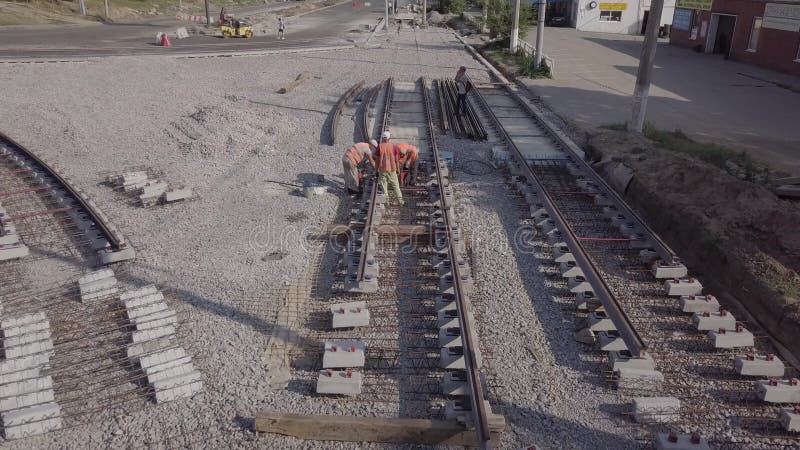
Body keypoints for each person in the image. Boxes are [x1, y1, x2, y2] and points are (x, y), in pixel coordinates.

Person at [376, 131, 404, 206]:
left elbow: (377, 161)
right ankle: (401, 202)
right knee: (396, 187)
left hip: (382, 170)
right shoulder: (393, 147)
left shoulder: (379, 147)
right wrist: (398, 169)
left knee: (384, 188)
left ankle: (387, 202)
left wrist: (376, 170)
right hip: (392, 169)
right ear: (389, 138)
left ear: (383, 138)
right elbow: (396, 160)